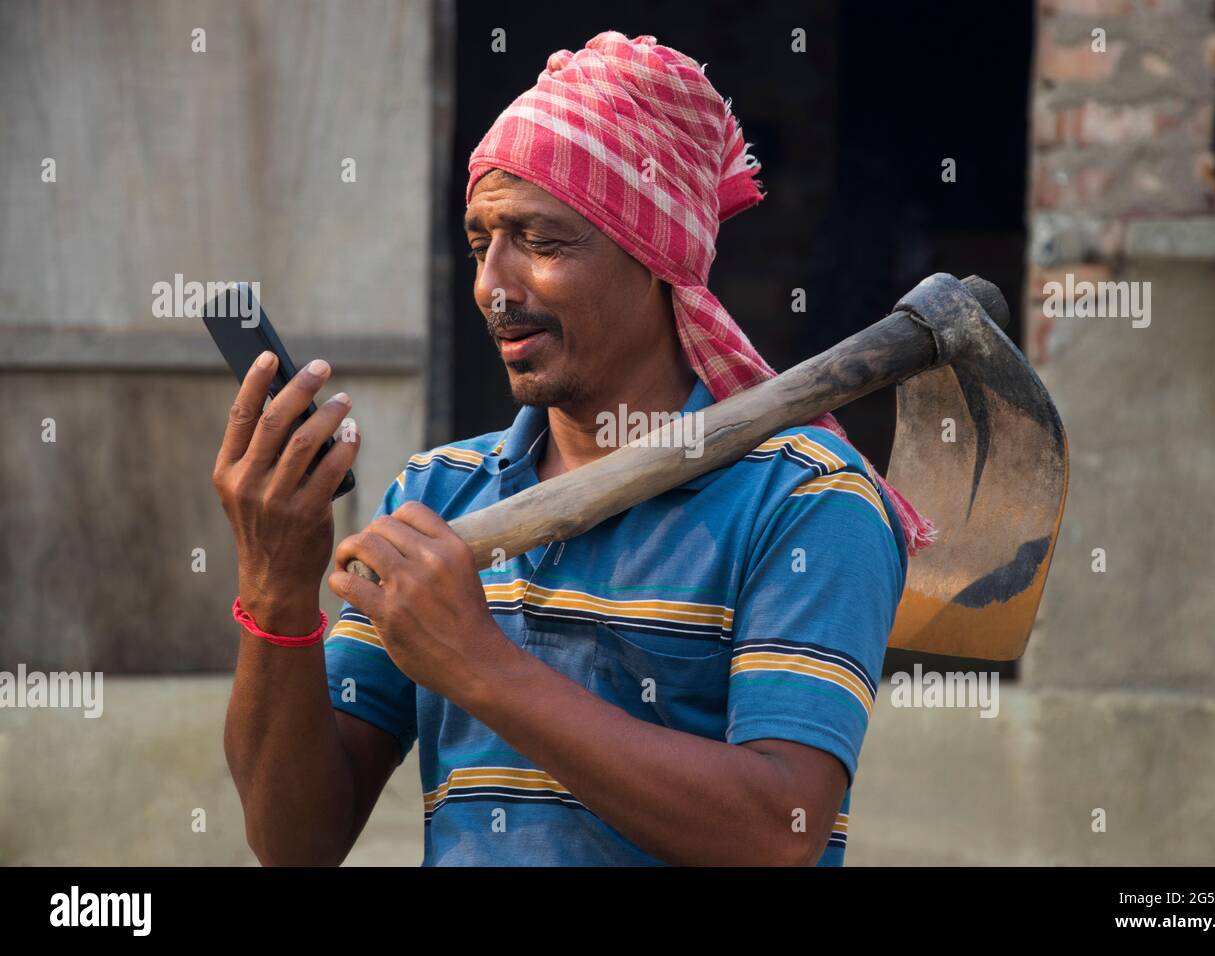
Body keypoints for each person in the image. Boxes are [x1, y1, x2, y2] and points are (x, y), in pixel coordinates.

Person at [216, 31, 924, 866]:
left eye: (541, 242)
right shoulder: (437, 496)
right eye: (482, 243)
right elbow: (294, 844)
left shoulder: (806, 499)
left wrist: (481, 667)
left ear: (656, 257)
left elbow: (781, 829)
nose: (494, 287)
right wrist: (276, 587)